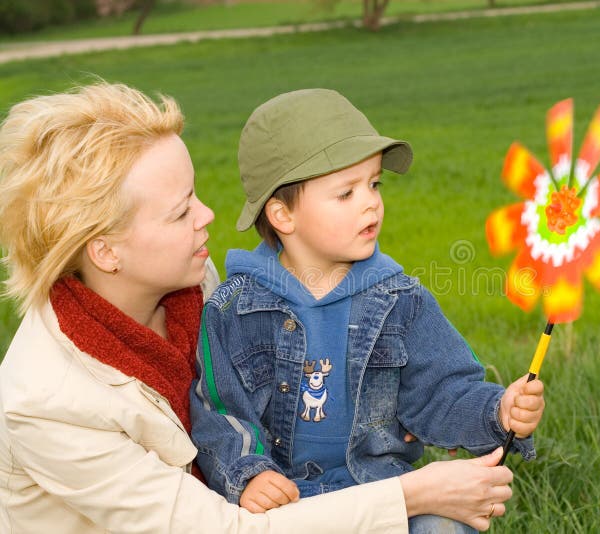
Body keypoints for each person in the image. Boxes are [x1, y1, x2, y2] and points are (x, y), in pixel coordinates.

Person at [0, 82, 516, 533]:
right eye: (181, 212)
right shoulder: (45, 403)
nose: (208, 215)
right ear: (106, 251)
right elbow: (221, 527)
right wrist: (411, 495)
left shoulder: (194, 284)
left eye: (195, 195)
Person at [190, 89, 546, 533]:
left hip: (388, 494)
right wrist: (249, 474)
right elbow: (220, 412)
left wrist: (499, 411)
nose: (370, 202)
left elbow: (442, 392)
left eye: (374, 184)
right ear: (283, 215)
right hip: (291, 506)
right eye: (345, 193)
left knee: (444, 526)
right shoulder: (233, 311)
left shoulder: (399, 301)